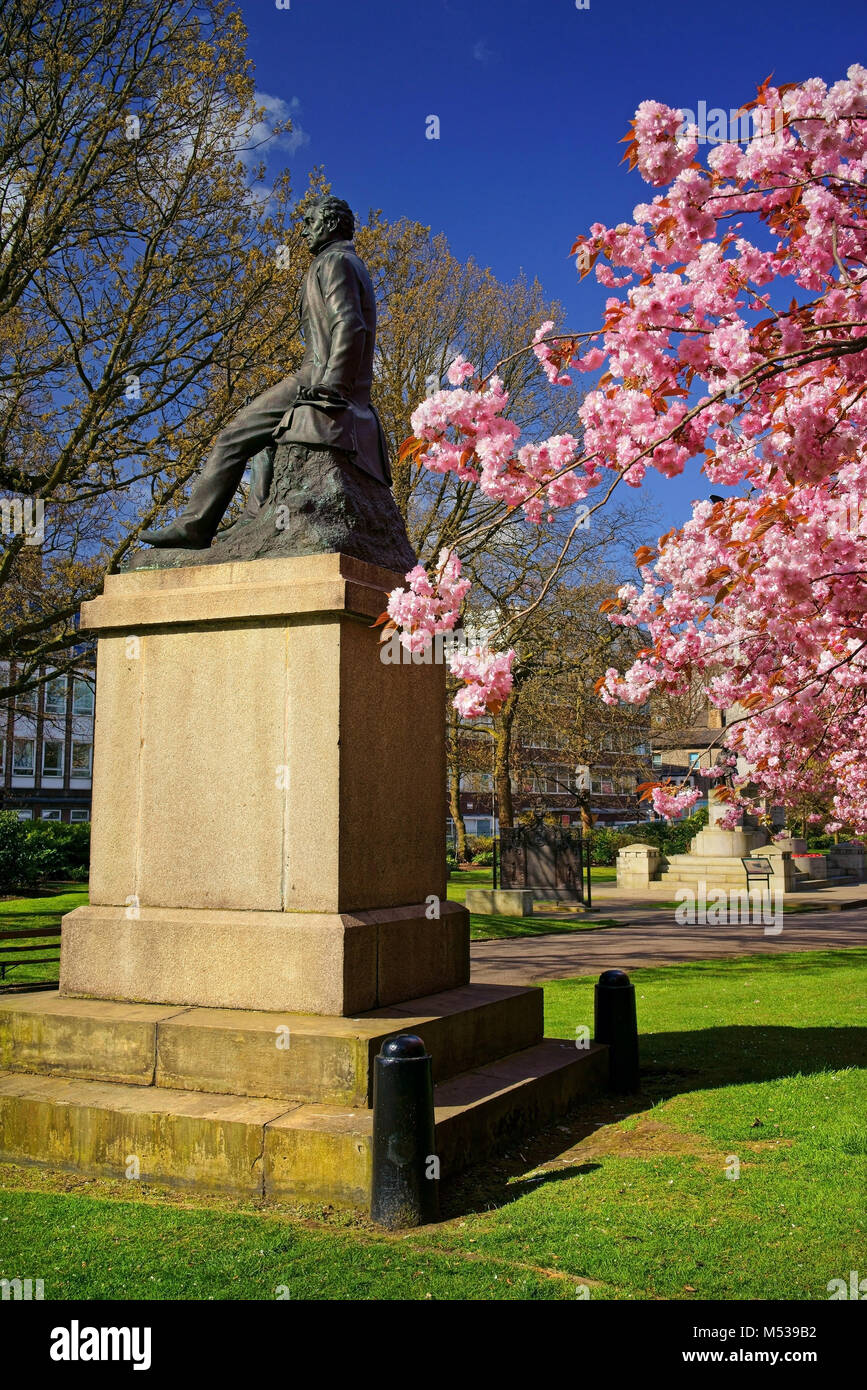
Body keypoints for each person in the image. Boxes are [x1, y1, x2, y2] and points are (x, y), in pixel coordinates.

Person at [141, 195, 391, 550]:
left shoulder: (333, 261)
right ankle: (254, 520)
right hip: (326, 379)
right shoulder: (349, 263)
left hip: (318, 378)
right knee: (264, 439)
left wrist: (333, 385)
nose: (302, 229)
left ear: (331, 224)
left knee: (232, 435)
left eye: (310, 220)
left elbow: (350, 324)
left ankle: (195, 526)